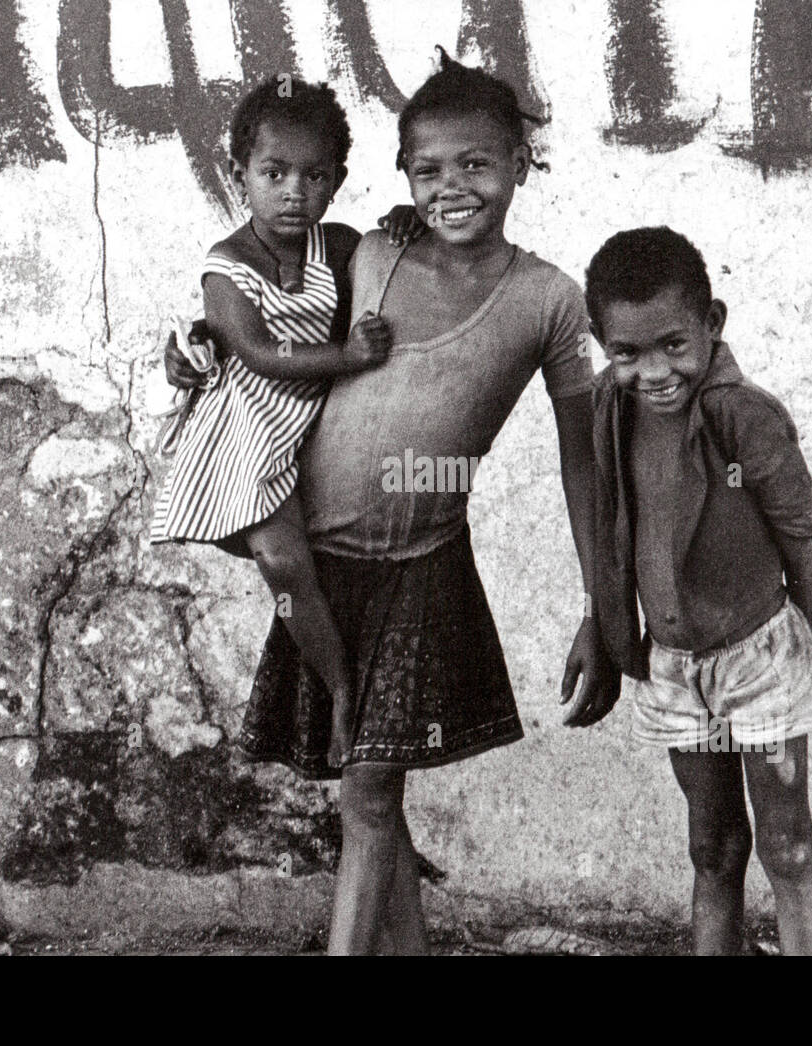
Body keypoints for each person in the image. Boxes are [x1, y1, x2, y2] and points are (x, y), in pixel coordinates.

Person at [204, 49, 620, 954]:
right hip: (320, 562)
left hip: (420, 568)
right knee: (373, 792)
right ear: (401, 176)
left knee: (369, 790)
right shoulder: (371, 249)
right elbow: (261, 304)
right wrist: (192, 345)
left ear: (521, 164)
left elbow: (580, 461)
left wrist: (600, 606)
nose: (451, 188)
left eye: (476, 164)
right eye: (427, 169)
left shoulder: (550, 301)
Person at [151, 76, 419, 768]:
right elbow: (260, 353)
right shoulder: (229, 264)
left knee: (331, 563)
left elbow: (387, 270)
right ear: (239, 175)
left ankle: (340, 672)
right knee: (282, 561)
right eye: (274, 173)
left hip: (319, 425)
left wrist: (399, 227)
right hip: (252, 428)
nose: (293, 192)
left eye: (313, 175)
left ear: (335, 181)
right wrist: (350, 356)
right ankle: (340, 687)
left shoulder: (335, 244)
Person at [585, 226, 812, 954]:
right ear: (603, 345)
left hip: (760, 655)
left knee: (786, 844)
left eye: (672, 345)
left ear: (712, 324)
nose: (654, 372)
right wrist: (601, 625)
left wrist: (800, 630)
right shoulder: (610, 407)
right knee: (712, 847)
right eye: (627, 353)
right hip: (672, 665)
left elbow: (801, 530)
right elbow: (611, 522)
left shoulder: (742, 415)